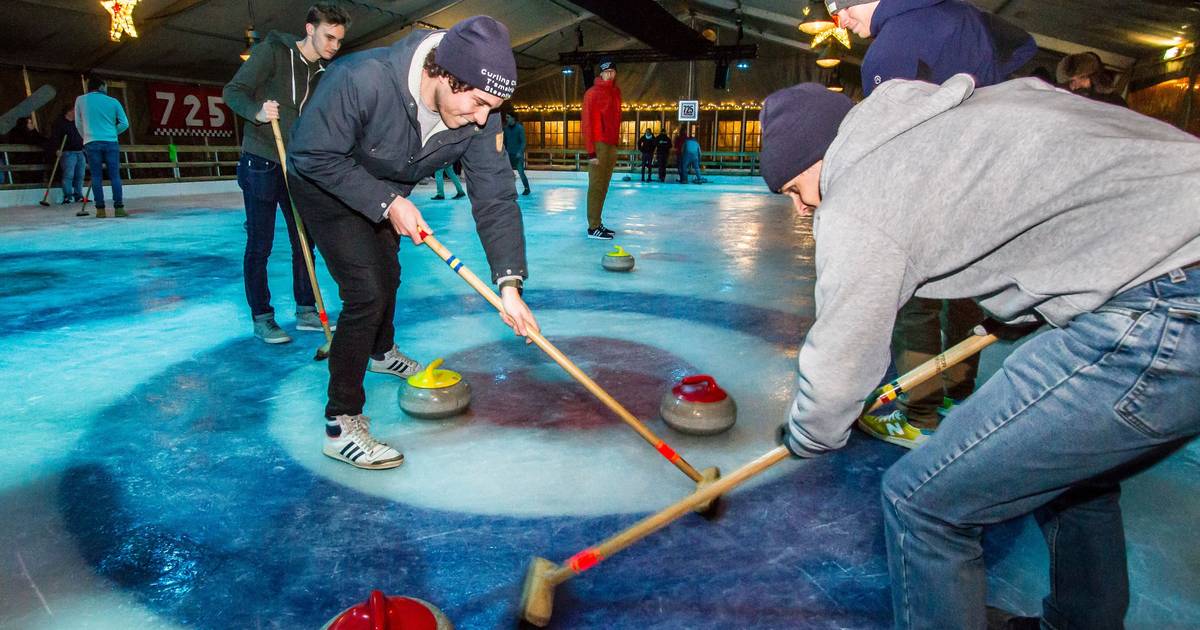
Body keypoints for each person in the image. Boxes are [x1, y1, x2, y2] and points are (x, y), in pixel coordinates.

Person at [762, 76, 1200, 630]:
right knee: (1075, 477)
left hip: (1164, 310)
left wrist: (810, 433)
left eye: (795, 190)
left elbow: (844, 353)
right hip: (1170, 277)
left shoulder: (860, 193)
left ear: (818, 153)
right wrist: (1019, 310)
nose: (801, 209)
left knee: (921, 504)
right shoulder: (963, 114)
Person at [288, 16, 539, 470]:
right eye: (479, 103)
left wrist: (509, 286)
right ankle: (340, 423)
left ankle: (380, 353)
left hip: (388, 185)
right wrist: (387, 202)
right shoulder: (360, 79)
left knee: (390, 272)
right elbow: (311, 154)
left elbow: (496, 198)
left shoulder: (479, 111)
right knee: (367, 291)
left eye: (492, 107)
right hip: (325, 180)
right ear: (443, 73)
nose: (483, 118)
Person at [826, 0, 1035, 447]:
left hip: (930, 184)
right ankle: (955, 393)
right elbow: (1023, 47)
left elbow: (890, 137)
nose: (840, 22)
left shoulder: (892, 48)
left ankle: (919, 414)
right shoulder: (964, 16)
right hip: (985, 177)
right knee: (964, 288)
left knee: (913, 299)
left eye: (839, 8)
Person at [223, 3, 349, 344]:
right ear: (310, 29)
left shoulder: (323, 72)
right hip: (262, 160)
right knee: (260, 243)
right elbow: (233, 92)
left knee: (304, 242)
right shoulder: (273, 53)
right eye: (329, 37)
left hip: (297, 165)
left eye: (339, 40)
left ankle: (307, 310)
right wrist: (257, 111)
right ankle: (262, 317)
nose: (334, 46)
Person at [75, 78, 129, 218]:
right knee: (114, 175)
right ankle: (119, 208)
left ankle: (100, 210)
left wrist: (86, 136)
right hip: (111, 141)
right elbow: (124, 123)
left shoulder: (81, 100)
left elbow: (78, 123)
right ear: (101, 86)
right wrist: (112, 132)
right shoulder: (113, 101)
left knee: (96, 175)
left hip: (91, 141)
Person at [581, 59, 621, 239]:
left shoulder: (616, 93)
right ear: (600, 73)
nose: (609, 75)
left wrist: (615, 143)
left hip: (611, 144)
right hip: (598, 143)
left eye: (612, 71)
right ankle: (593, 226)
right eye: (606, 71)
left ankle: (598, 222)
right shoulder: (592, 93)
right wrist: (591, 151)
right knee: (596, 186)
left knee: (604, 186)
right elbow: (587, 123)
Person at [1057, 51, 1128, 107]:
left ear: (1094, 77)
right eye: (1072, 81)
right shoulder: (1064, 99)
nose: (1075, 85)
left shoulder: (1114, 103)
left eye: (1082, 78)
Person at [49, 108, 86, 203]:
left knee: (80, 175)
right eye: (74, 111)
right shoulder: (60, 123)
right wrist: (57, 149)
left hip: (80, 151)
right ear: (69, 111)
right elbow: (55, 138)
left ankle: (79, 195)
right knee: (68, 175)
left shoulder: (77, 123)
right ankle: (68, 195)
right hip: (68, 152)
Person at [5, 117, 46, 185]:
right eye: (30, 123)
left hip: (34, 162)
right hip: (24, 162)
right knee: (26, 180)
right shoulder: (17, 133)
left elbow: (40, 140)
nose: (32, 125)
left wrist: (33, 132)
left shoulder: (33, 132)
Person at [503, 113, 530, 195]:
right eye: (506, 117)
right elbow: (505, 142)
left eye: (508, 117)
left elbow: (523, 142)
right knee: (506, 173)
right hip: (508, 154)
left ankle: (527, 188)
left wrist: (520, 152)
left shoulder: (519, 128)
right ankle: (508, 190)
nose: (506, 119)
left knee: (521, 172)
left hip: (517, 155)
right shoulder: (506, 128)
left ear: (513, 118)